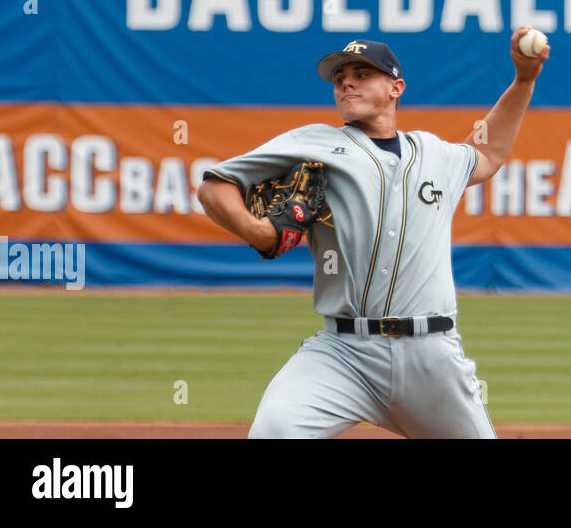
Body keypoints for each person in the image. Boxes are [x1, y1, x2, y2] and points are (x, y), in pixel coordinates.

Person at [196, 29, 548, 438]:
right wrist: (258, 231)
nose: (346, 80)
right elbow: (215, 186)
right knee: (273, 431)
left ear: (396, 87)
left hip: (431, 357)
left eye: (362, 73)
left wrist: (524, 81)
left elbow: (487, 154)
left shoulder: (433, 154)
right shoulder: (314, 143)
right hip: (342, 354)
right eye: (340, 75)